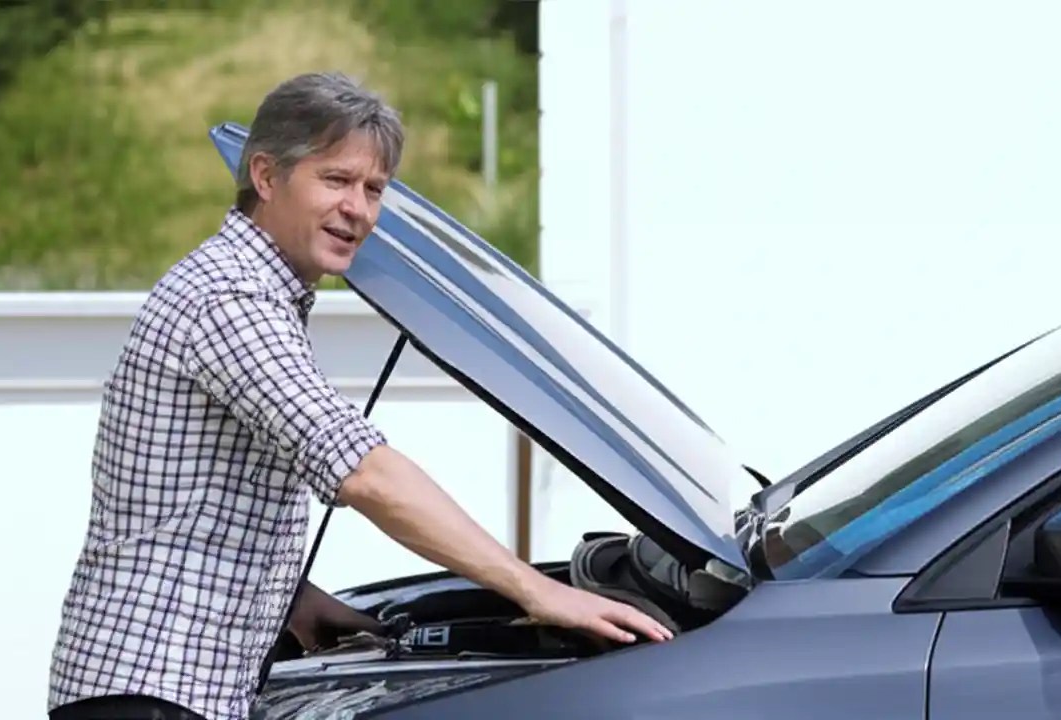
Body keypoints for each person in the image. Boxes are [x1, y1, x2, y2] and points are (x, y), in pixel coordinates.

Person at [46, 71, 672, 720]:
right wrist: (538, 591)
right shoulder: (230, 300)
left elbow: (195, 505)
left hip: (155, 686)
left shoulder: (255, 291)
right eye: (337, 180)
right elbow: (366, 474)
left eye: (374, 189)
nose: (360, 210)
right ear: (265, 176)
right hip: (151, 693)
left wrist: (293, 598)